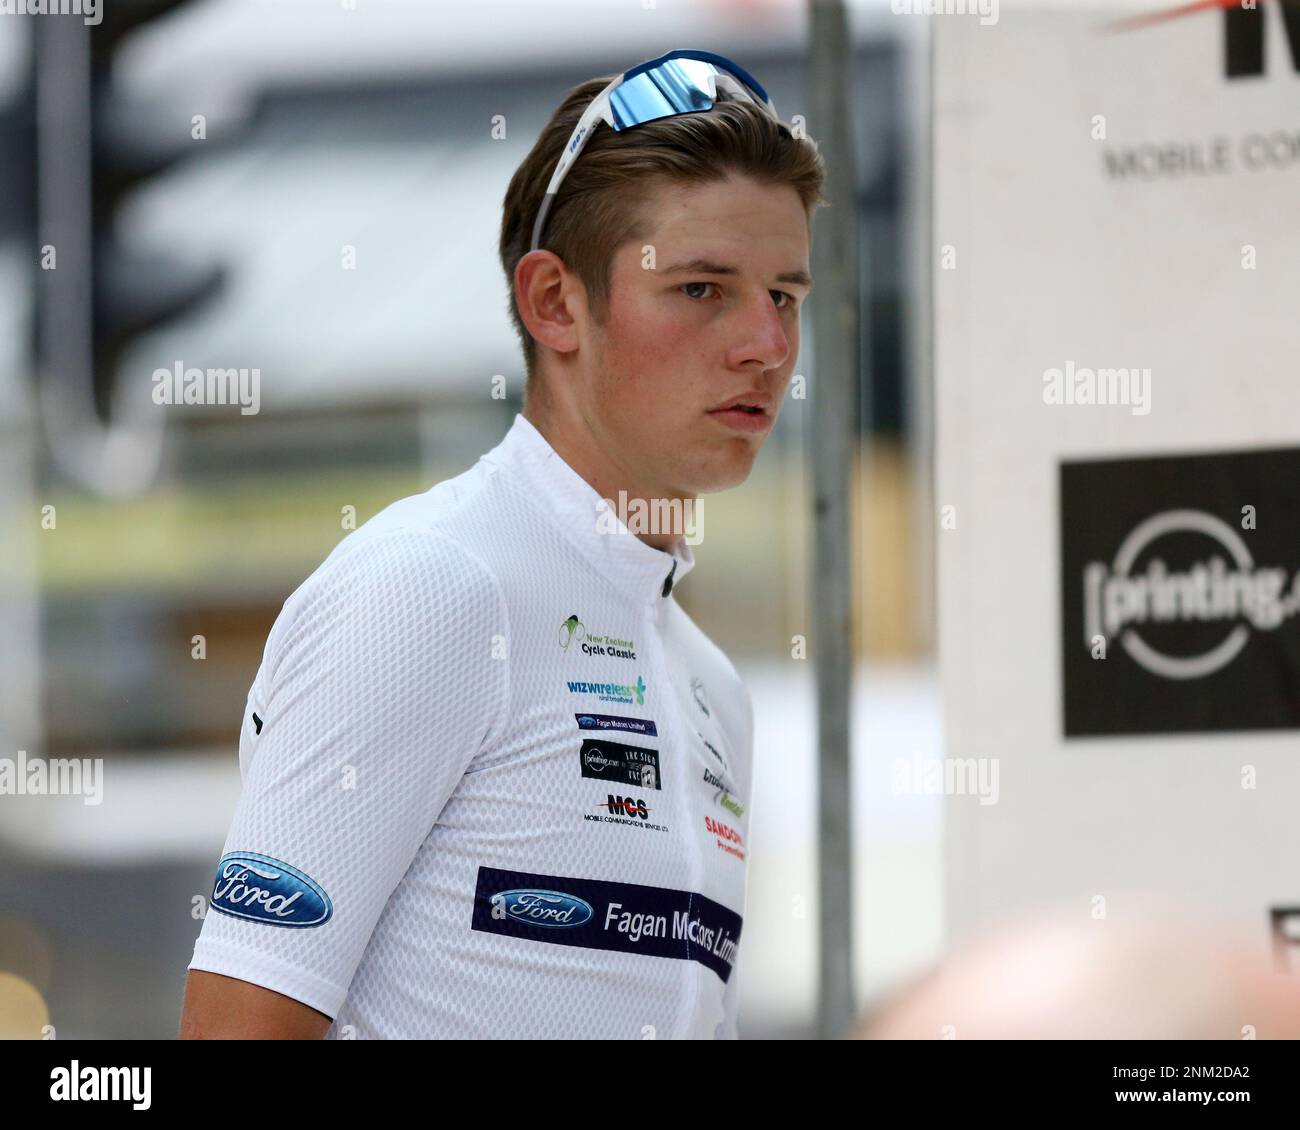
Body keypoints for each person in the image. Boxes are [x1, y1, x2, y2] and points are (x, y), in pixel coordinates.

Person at [179, 49, 825, 1039]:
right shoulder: (430, 586)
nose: (764, 345)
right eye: (702, 288)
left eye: (782, 294)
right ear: (555, 303)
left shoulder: (712, 686)